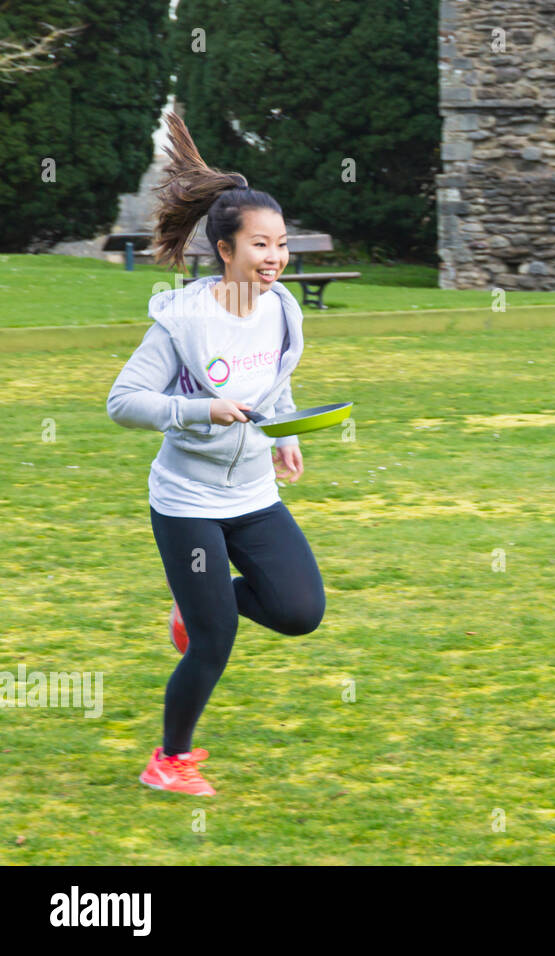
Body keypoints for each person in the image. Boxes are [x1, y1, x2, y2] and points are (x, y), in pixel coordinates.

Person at [106, 112, 326, 794]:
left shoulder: (281, 308)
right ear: (225, 249)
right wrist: (201, 409)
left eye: (281, 245)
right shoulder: (183, 322)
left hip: (254, 494)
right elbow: (122, 402)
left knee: (298, 611)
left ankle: (198, 605)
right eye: (261, 245)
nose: (275, 258)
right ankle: (167, 760)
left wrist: (284, 432)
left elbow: (277, 381)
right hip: (188, 503)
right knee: (215, 640)